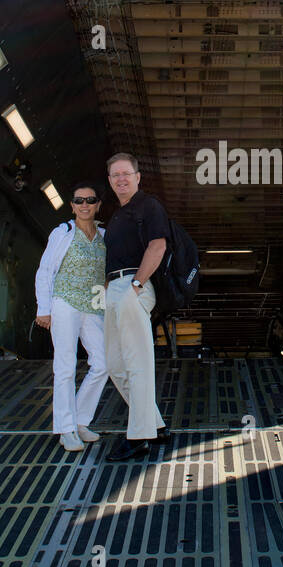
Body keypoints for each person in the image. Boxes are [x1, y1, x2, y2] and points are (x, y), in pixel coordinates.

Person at [102, 152, 169, 461]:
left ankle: (138, 437)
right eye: (115, 175)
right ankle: (154, 424)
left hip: (133, 285)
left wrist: (137, 286)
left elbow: (158, 246)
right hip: (114, 289)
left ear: (138, 176)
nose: (121, 179)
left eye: (126, 173)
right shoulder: (118, 214)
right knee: (115, 364)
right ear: (110, 181)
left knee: (137, 363)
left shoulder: (148, 206)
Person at [34, 180, 110, 452]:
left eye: (90, 200)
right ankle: (65, 429)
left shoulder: (104, 234)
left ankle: (80, 421)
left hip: (93, 307)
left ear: (98, 204)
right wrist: (44, 309)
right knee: (65, 367)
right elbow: (45, 270)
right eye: (79, 201)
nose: (85, 205)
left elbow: (108, 273)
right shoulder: (62, 232)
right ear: (72, 205)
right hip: (64, 303)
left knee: (103, 362)